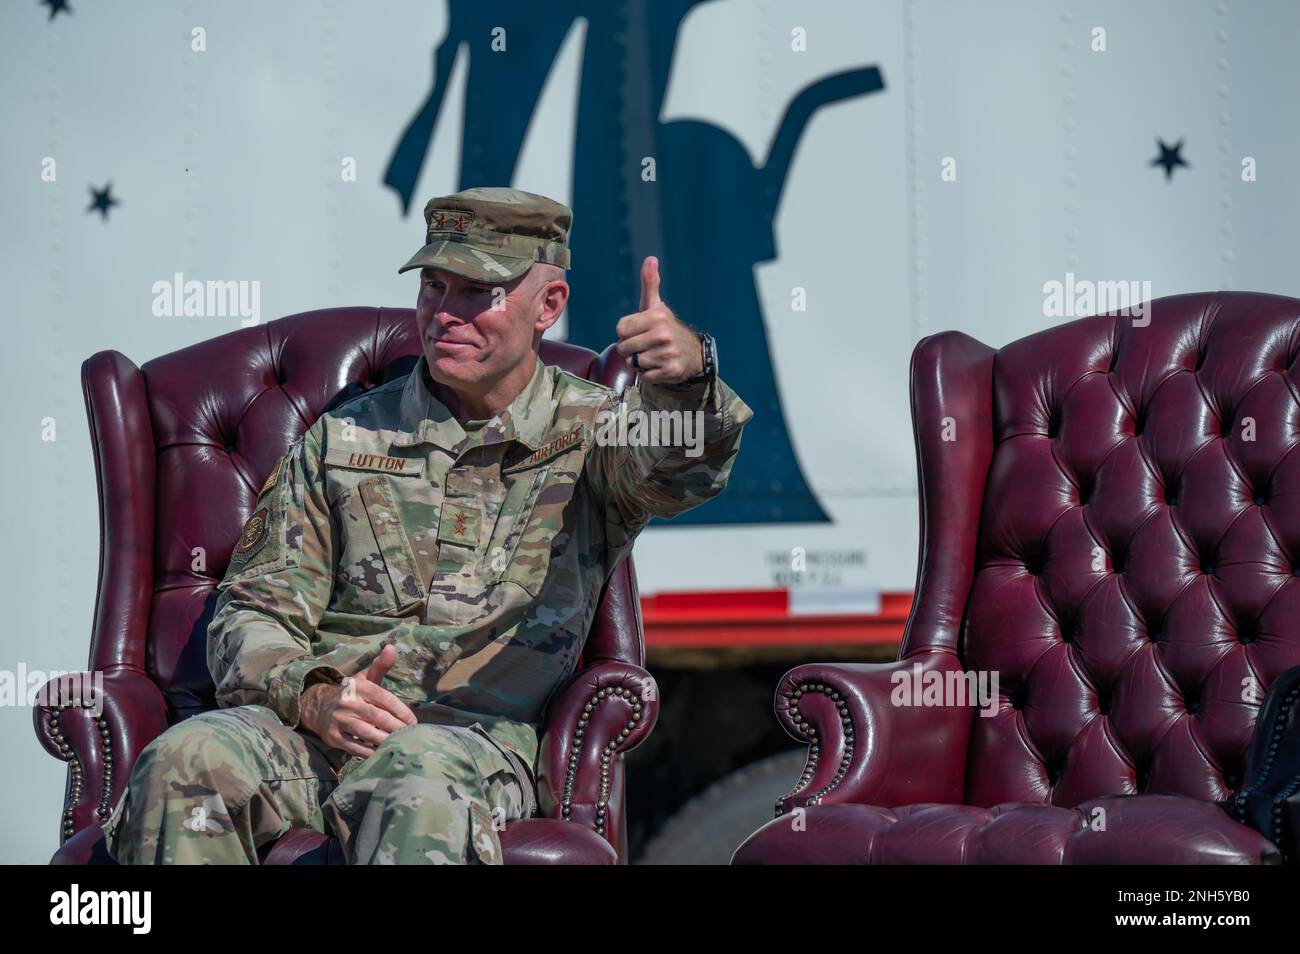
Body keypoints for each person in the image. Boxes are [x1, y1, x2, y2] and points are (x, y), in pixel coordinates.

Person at [101, 186, 753, 863]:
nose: (444, 314)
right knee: (187, 760)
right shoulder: (347, 436)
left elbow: (679, 472)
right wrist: (316, 695)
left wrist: (686, 379)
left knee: (410, 778)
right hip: (315, 740)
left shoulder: (592, 432)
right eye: (433, 287)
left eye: (477, 292)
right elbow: (251, 612)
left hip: (466, 751)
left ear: (548, 306)